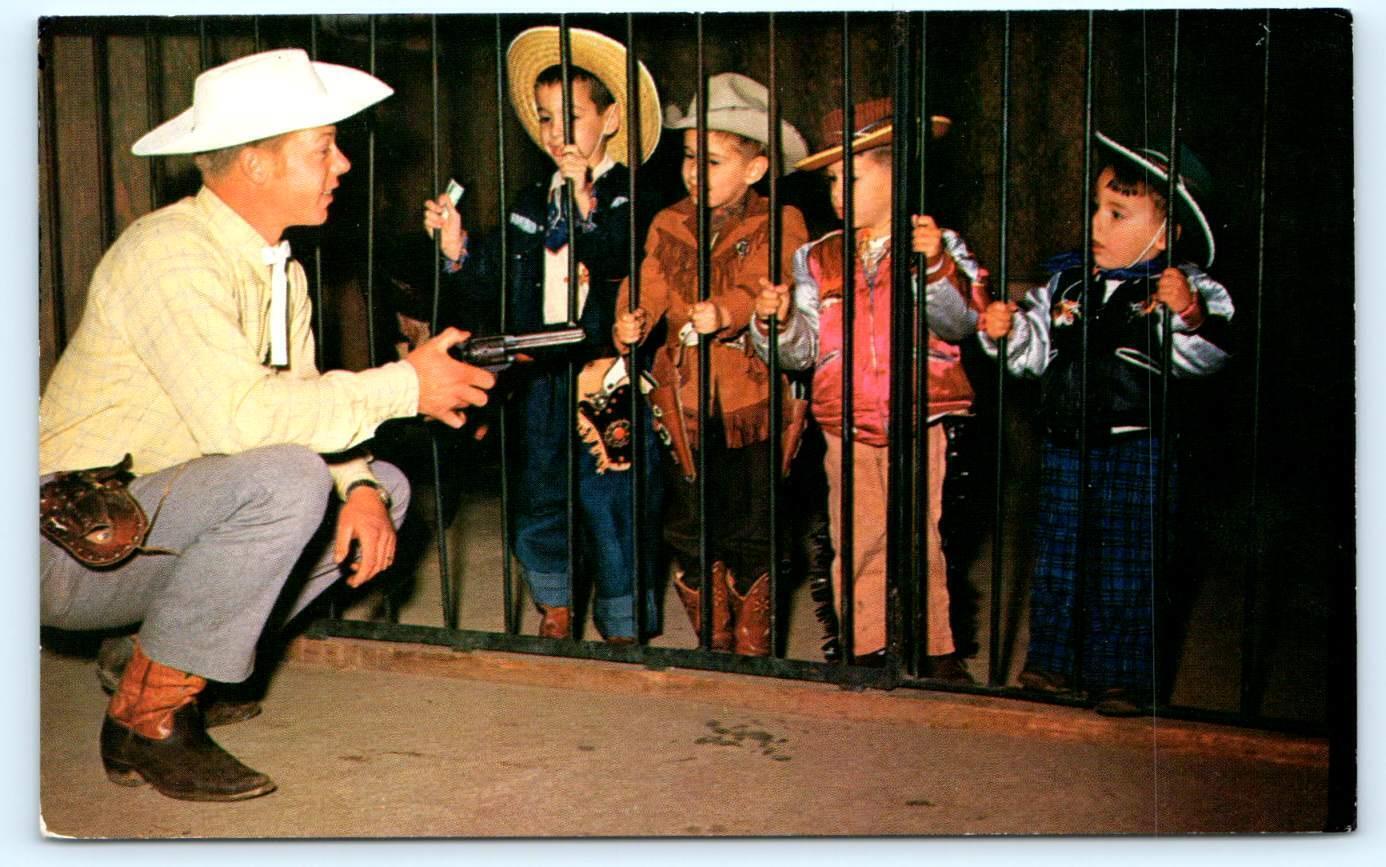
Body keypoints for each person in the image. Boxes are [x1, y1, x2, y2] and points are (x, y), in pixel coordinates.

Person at [39, 48, 497, 802]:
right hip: (66, 541)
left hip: (141, 524)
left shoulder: (279, 269)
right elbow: (243, 418)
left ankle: (153, 658)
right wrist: (405, 384)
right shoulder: (170, 255)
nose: (343, 164)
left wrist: (357, 484)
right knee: (284, 478)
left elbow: (305, 396)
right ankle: (146, 717)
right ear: (253, 162)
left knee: (381, 487)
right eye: (323, 148)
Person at [422, 27, 664, 644]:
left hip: (600, 365)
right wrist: (458, 246)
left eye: (573, 117)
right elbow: (500, 273)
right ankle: (554, 601)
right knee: (539, 489)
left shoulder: (628, 192)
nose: (558, 133)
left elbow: (621, 251)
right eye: (546, 118)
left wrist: (585, 200)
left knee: (610, 493)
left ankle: (623, 617)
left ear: (609, 120)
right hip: (539, 363)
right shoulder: (532, 198)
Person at [979, 131, 1234, 715]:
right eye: (1098, 207)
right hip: (1067, 444)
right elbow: (1035, 352)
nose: (1098, 222)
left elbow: (1208, 357)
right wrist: (1008, 332)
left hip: (1137, 447)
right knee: (1060, 553)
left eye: (1118, 213)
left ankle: (1123, 675)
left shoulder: (1184, 289)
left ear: (1168, 234)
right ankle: (1052, 662)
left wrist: (1188, 313)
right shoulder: (1067, 283)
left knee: (1128, 561)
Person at [750, 97, 984, 680]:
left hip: (918, 414)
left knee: (922, 533)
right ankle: (866, 646)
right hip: (844, 418)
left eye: (849, 177)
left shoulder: (939, 245)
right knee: (857, 536)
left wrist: (933, 270)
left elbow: (962, 322)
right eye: (831, 179)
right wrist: (774, 324)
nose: (836, 191)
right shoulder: (819, 257)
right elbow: (801, 348)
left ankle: (935, 649)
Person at [614, 72, 810, 656]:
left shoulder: (781, 220)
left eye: (715, 159)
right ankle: (712, 633)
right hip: (685, 403)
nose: (697, 171)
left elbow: (772, 286)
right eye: (691, 156)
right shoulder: (666, 222)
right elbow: (644, 282)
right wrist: (633, 318)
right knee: (688, 521)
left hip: (752, 402)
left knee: (754, 519)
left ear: (755, 169)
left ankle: (753, 637)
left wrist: (726, 310)